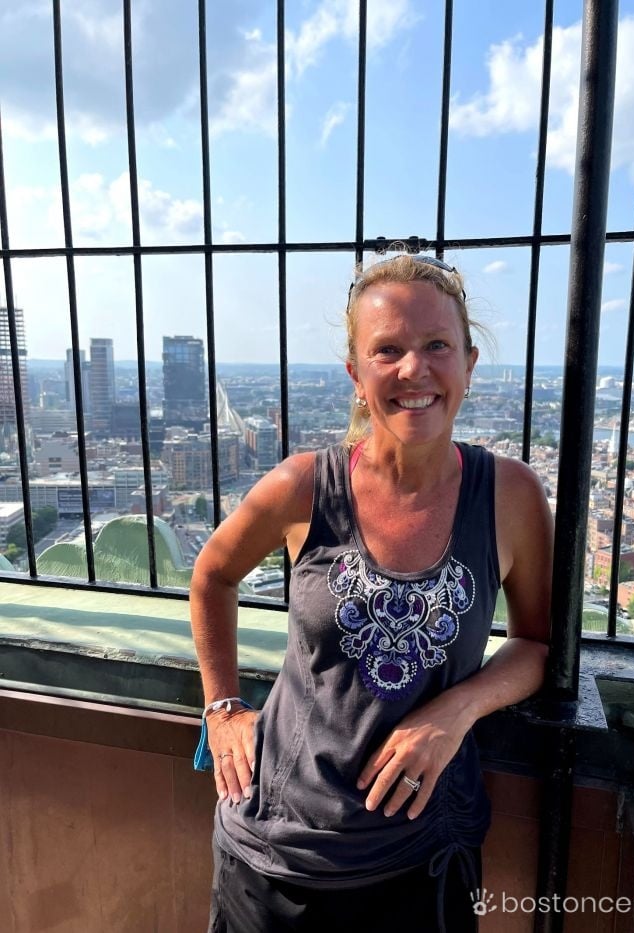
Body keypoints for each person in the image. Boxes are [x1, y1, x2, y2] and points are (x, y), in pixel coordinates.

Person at [190, 253, 553, 932]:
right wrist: (222, 704)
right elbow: (212, 573)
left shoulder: (509, 496)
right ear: (357, 375)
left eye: (436, 345)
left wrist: (456, 709)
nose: (414, 369)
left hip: (422, 856)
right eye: (388, 350)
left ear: (470, 364)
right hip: (275, 854)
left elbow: (536, 640)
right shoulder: (304, 486)